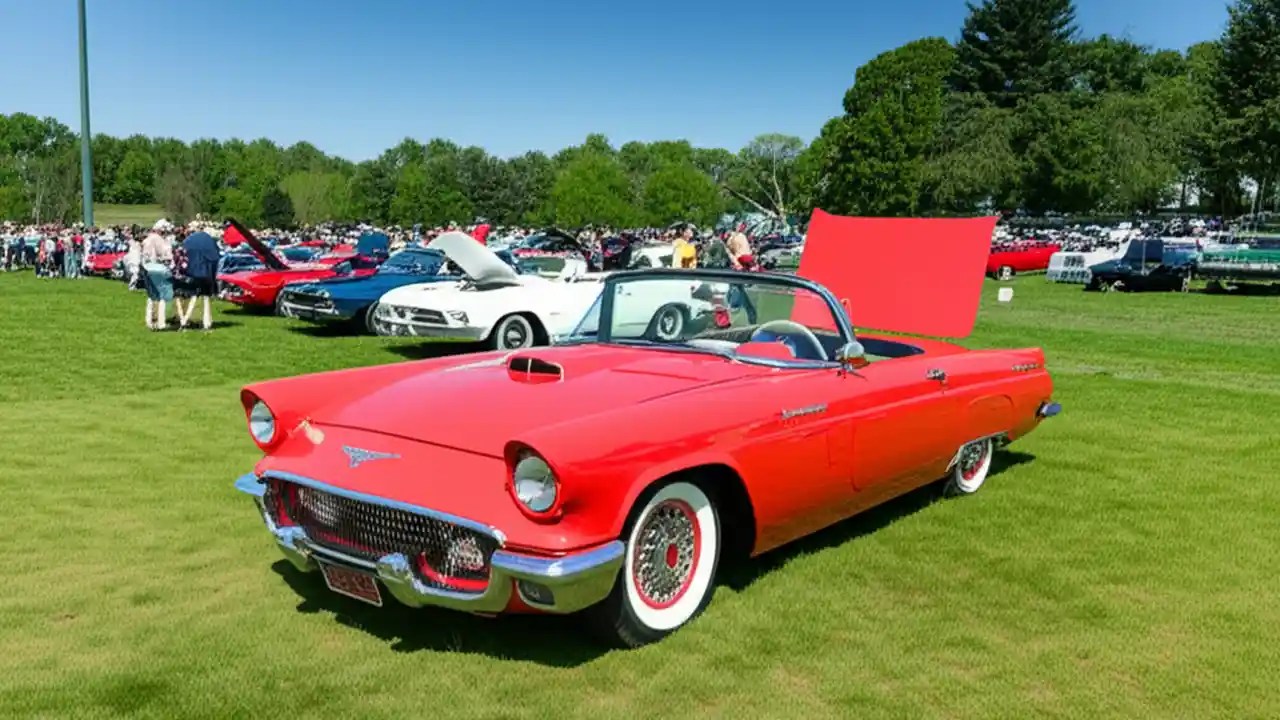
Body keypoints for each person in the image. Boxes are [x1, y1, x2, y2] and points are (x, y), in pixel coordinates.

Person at [178, 229, 221, 331]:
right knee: (206, 298)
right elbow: (215, 258)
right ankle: (207, 323)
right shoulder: (209, 242)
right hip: (205, 274)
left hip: (191, 273)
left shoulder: (188, 241)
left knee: (193, 297)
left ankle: (184, 320)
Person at [141, 220, 175, 330]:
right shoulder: (159, 240)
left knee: (151, 295)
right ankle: (161, 322)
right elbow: (167, 255)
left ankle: (149, 320)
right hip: (158, 269)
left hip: (146, 268)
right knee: (162, 296)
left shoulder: (147, 239)